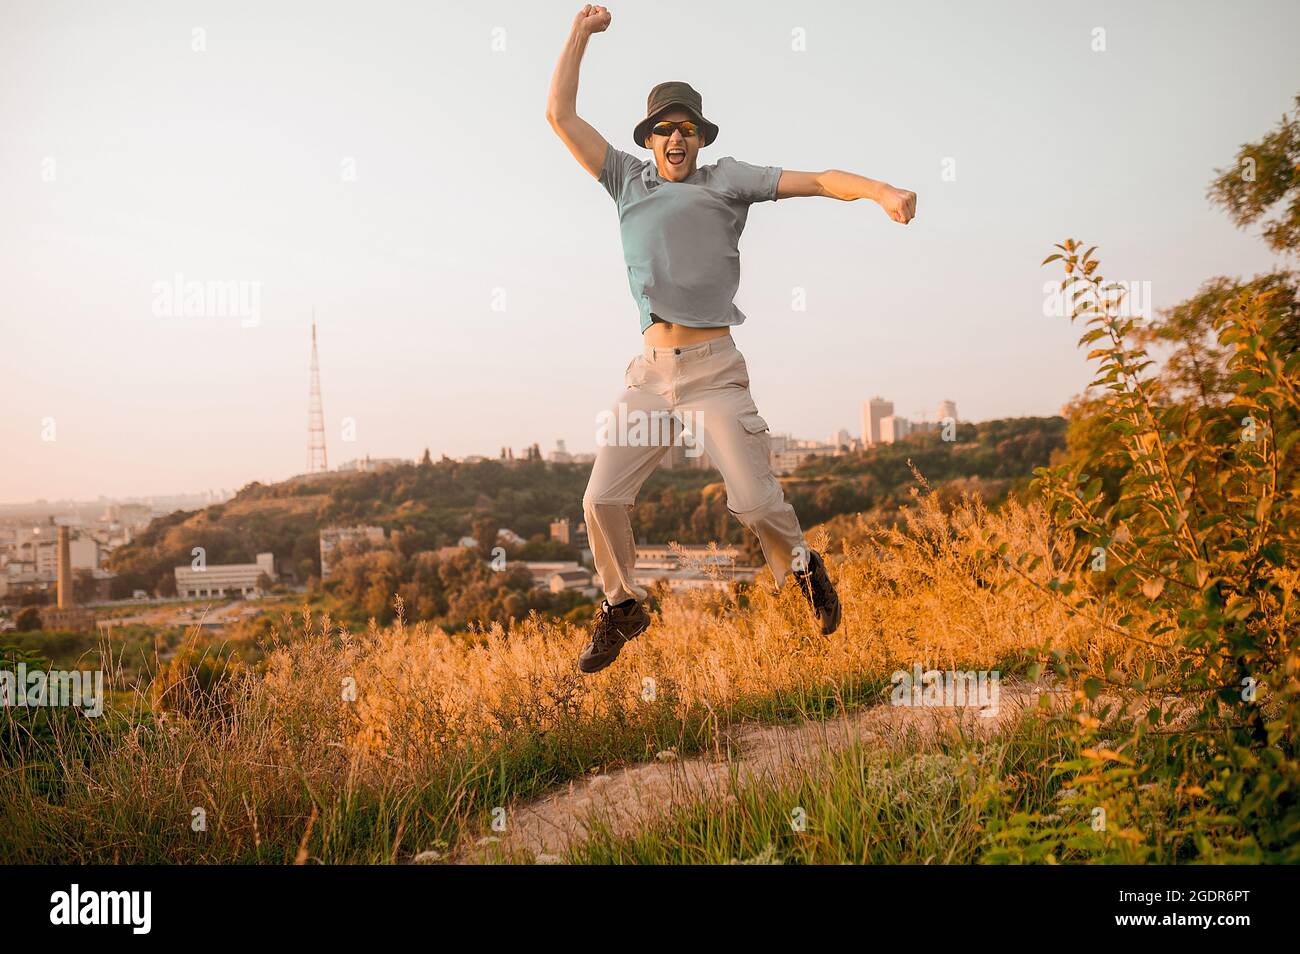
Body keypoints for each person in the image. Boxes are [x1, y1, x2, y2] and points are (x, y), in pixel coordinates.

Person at [546, 5, 917, 674]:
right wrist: (579, 36)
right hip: (650, 377)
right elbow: (560, 117)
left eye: (687, 129)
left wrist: (879, 191)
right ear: (650, 139)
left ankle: (802, 568)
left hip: (715, 372)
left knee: (752, 500)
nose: (676, 140)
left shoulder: (729, 181)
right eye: (664, 130)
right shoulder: (625, 180)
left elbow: (820, 180)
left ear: (701, 138)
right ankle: (623, 607)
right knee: (600, 499)